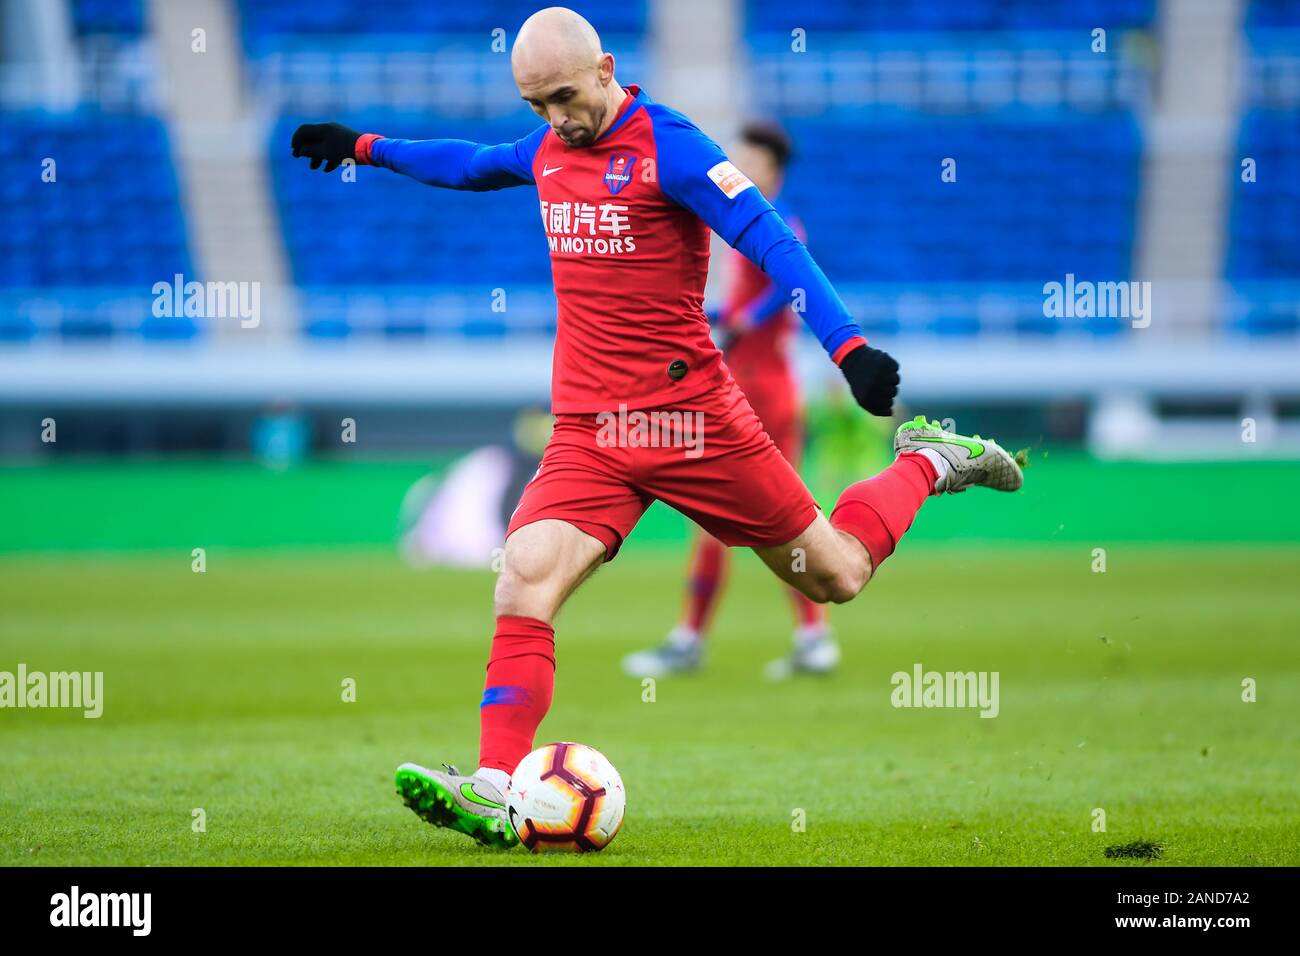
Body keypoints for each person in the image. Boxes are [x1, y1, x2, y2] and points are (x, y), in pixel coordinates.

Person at [291, 6, 1022, 849]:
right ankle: (495, 784)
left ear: (606, 69)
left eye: (563, 96)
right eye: (536, 105)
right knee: (523, 577)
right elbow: (470, 164)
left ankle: (929, 460)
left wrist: (848, 347)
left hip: (692, 425)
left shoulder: (671, 147)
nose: (554, 121)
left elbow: (773, 242)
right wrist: (363, 147)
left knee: (836, 576)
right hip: (590, 431)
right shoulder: (548, 148)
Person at [621, 120, 838, 681]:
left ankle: (694, 638)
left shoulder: (780, 221)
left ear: (772, 169)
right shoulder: (756, 217)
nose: (739, 167)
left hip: (758, 390)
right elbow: (749, 302)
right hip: (761, 384)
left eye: (748, 159)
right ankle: (811, 637)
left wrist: (738, 320)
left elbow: (784, 291)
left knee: (736, 521)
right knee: (785, 519)